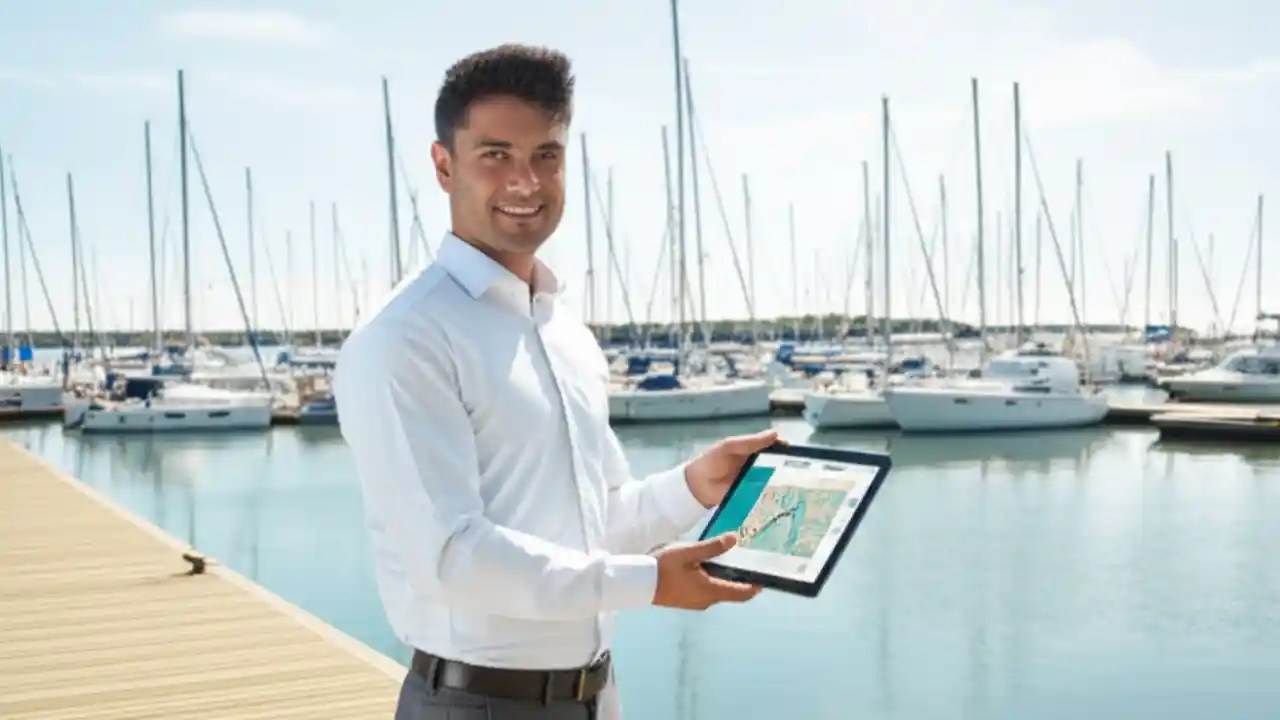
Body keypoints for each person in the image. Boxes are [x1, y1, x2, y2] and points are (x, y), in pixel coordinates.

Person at [335, 44, 774, 720]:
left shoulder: (564, 332)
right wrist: (652, 582)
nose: (525, 181)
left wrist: (694, 485)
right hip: (476, 704)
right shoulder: (405, 337)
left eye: (546, 154)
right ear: (444, 166)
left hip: (596, 697)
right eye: (496, 155)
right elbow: (450, 556)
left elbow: (600, 524)